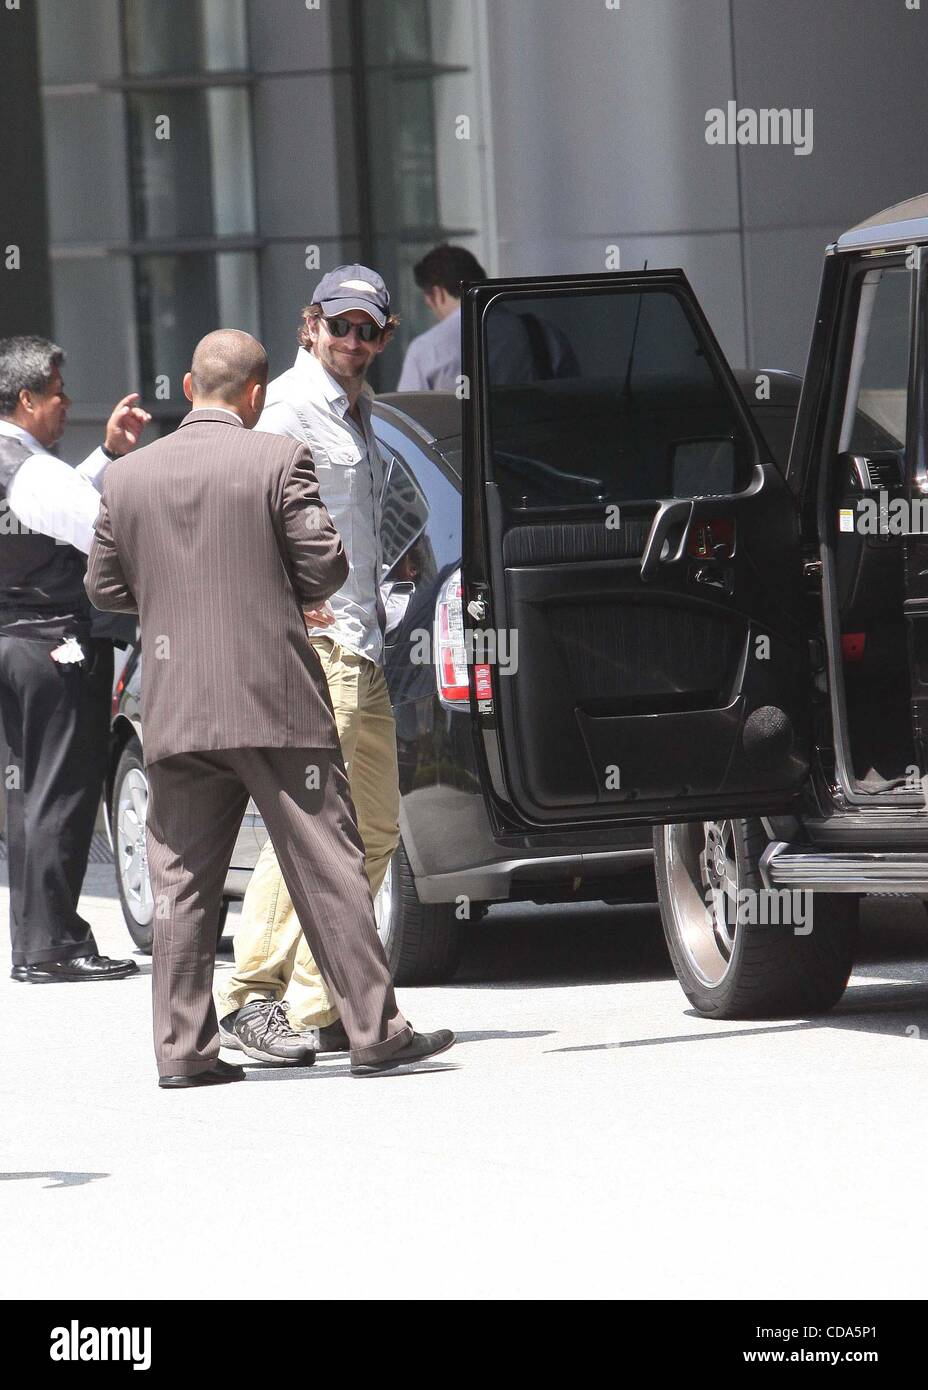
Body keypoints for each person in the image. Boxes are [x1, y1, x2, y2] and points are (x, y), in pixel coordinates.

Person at [86, 328, 453, 1087]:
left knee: (182, 881)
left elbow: (103, 588)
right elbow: (323, 568)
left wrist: (171, 603)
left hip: (177, 706)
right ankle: (374, 1034)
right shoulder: (277, 458)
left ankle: (185, 1052)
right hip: (277, 702)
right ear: (255, 396)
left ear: (189, 388)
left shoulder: (127, 478)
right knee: (330, 863)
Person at [214, 267, 404, 1063]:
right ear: (309, 327)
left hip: (362, 640)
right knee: (313, 829)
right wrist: (286, 606)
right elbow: (243, 507)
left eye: (370, 330)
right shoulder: (289, 408)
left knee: (380, 827)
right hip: (320, 648)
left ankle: (315, 1001)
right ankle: (248, 997)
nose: (354, 342)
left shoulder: (356, 410)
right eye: (342, 326)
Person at [0, 335, 150, 983]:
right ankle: (55, 944)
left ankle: (40, 943)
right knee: (61, 791)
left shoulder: (20, 463)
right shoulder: (30, 470)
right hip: (54, 646)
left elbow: (54, 508)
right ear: (28, 398)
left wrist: (110, 454)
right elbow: (104, 528)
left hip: (16, 645)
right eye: (58, 393)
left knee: (31, 793)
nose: (67, 403)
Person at [397, 243, 581, 392]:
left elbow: (407, 425)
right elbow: (573, 397)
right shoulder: (544, 333)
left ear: (438, 294)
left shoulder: (427, 350)